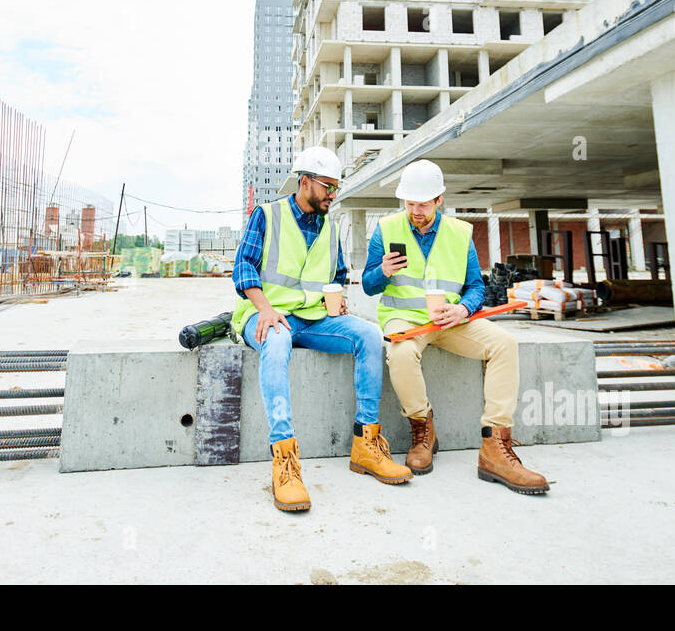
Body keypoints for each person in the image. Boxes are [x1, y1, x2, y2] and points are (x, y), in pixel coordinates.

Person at [232, 146, 412, 512]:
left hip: (313, 318)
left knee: (367, 334)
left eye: (335, 187)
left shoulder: (330, 227)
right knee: (278, 338)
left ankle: (366, 443)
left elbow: (338, 276)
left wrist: (338, 300)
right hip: (264, 315)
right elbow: (244, 268)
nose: (333, 193)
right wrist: (265, 310)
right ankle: (284, 459)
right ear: (305, 182)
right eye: (327, 186)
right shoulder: (267, 215)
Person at [361, 159, 549, 494]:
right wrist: (383, 272)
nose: (415, 211)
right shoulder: (386, 229)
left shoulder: (460, 233)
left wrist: (462, 309)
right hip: (404, 322)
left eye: (423, 204)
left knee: (504, 343)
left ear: (439, 200)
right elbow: (368, 285)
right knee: (401, 354)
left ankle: (495, 447)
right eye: (410, 203)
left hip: (449, 321)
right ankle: (422, 429)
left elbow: (476, 286)